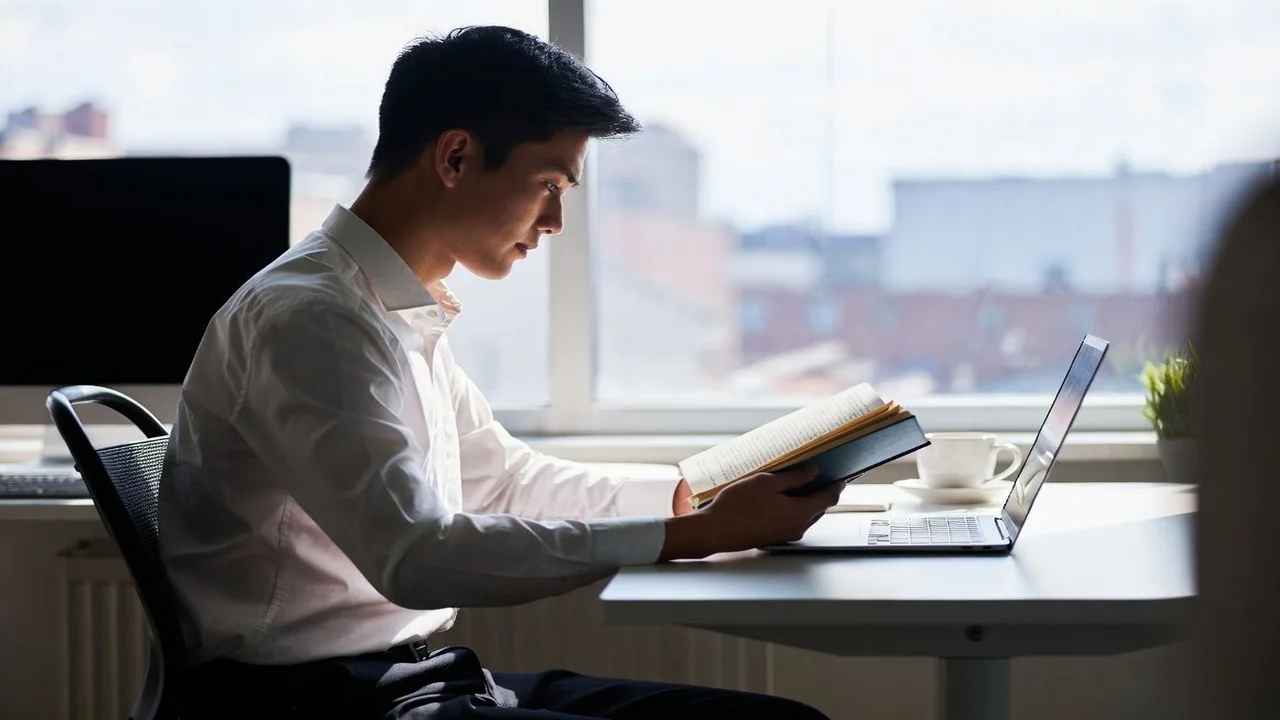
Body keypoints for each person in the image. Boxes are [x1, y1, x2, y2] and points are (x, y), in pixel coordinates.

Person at [159, 25, 841, 719]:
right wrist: (697, 536)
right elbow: (415, 555)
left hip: (411, 678)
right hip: (311, 704)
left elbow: (504, 483)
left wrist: (690, 499)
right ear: (455, 157)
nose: (556, 221)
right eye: (548, 184)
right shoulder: (312, 319)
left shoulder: (392, 307)